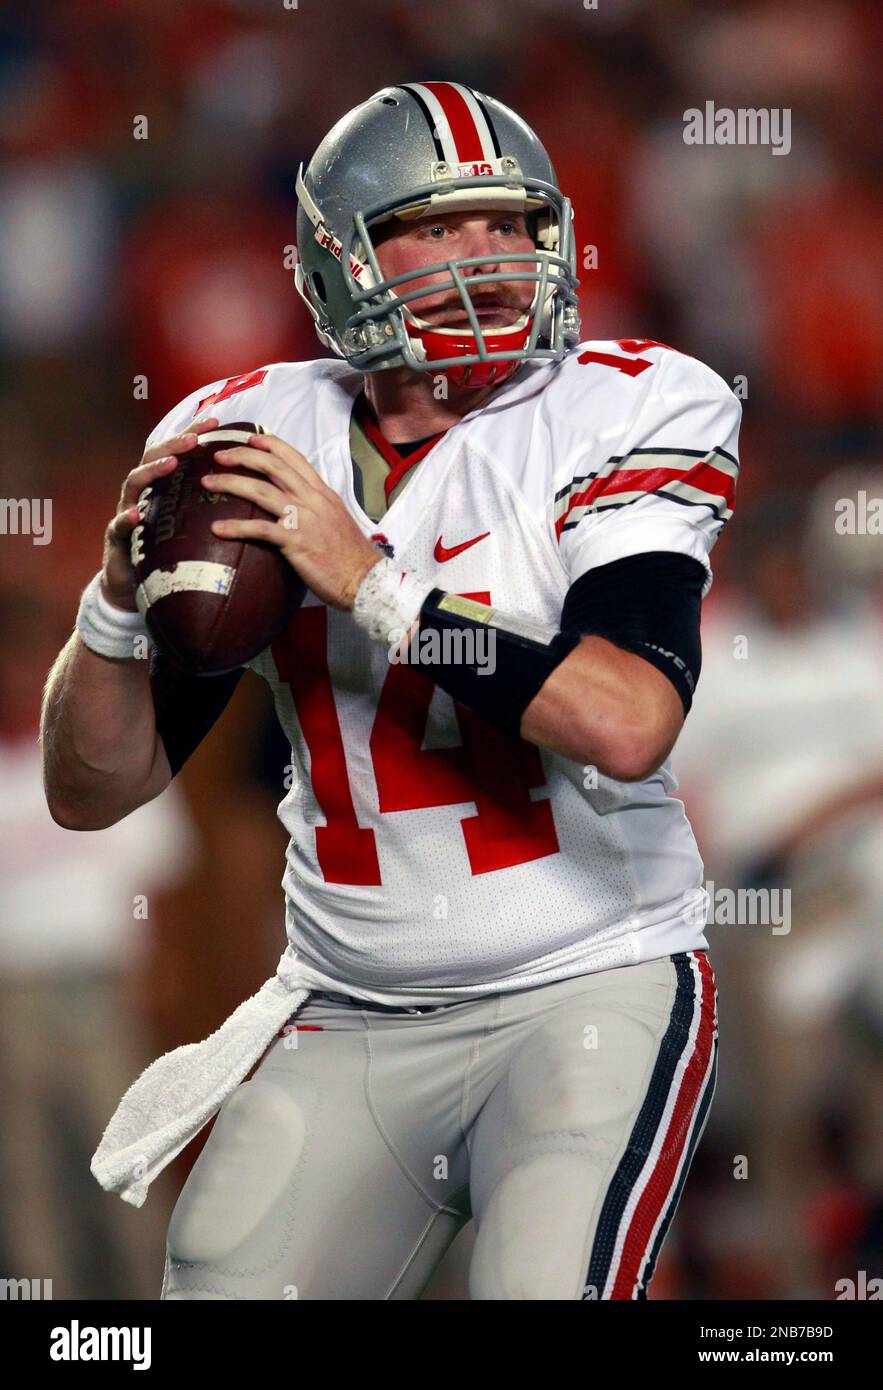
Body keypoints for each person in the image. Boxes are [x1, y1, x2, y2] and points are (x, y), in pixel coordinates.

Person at [40, 82, 741, 1300]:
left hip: (586, 976)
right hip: (351, 1005)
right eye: (445, 226)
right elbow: (93, 791)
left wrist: (374, 587)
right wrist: (111, 608)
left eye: (514, 224)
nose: (497, 256)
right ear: (339, 260)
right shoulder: (250, 430)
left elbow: (627, 722)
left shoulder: (621, 406)